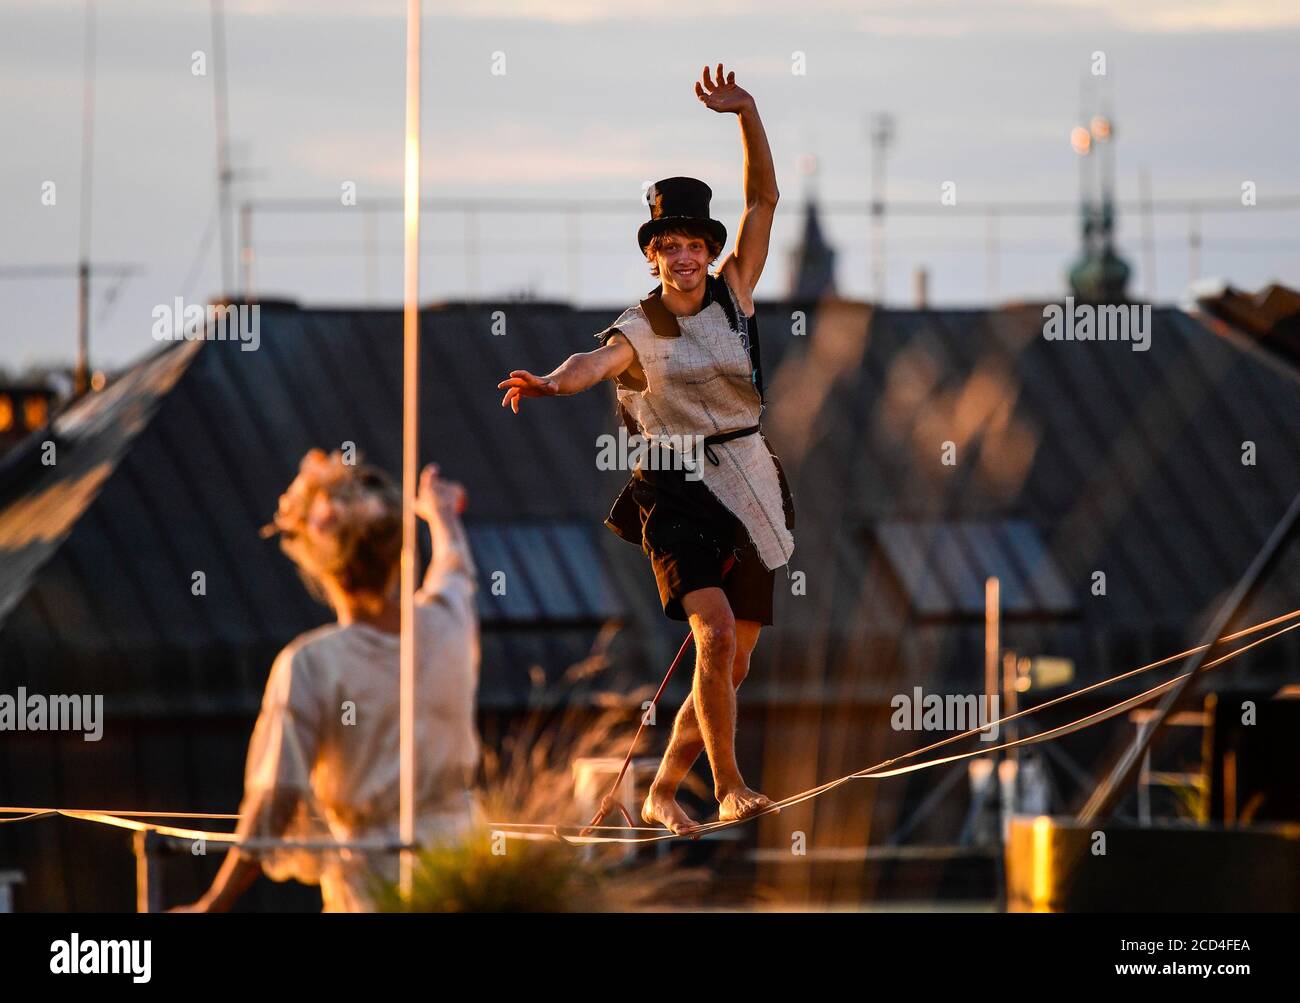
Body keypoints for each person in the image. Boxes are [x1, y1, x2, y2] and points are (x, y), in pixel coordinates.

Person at [497, 63, 794, 834]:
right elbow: (591, 363)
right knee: (714, 632)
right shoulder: (640, 326)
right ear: (654, 256)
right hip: (675, 492)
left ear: (707, 250)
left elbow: (763, 199)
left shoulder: (735, 293)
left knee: (732, 663)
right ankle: (728, 785)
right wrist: (552, 384)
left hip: (752, 482)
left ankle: (663, 789)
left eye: (695, 243)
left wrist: (748, 113)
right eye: (670, 245)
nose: (685, 256)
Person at [171, 449, 483, 911]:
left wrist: (211, 905)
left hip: (380, 888)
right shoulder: (448, 625)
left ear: (319, 563)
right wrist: (439, 515)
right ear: (396, 549)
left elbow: (275, 801)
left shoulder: (310, 664)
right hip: (471, 876)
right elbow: (454, 568)